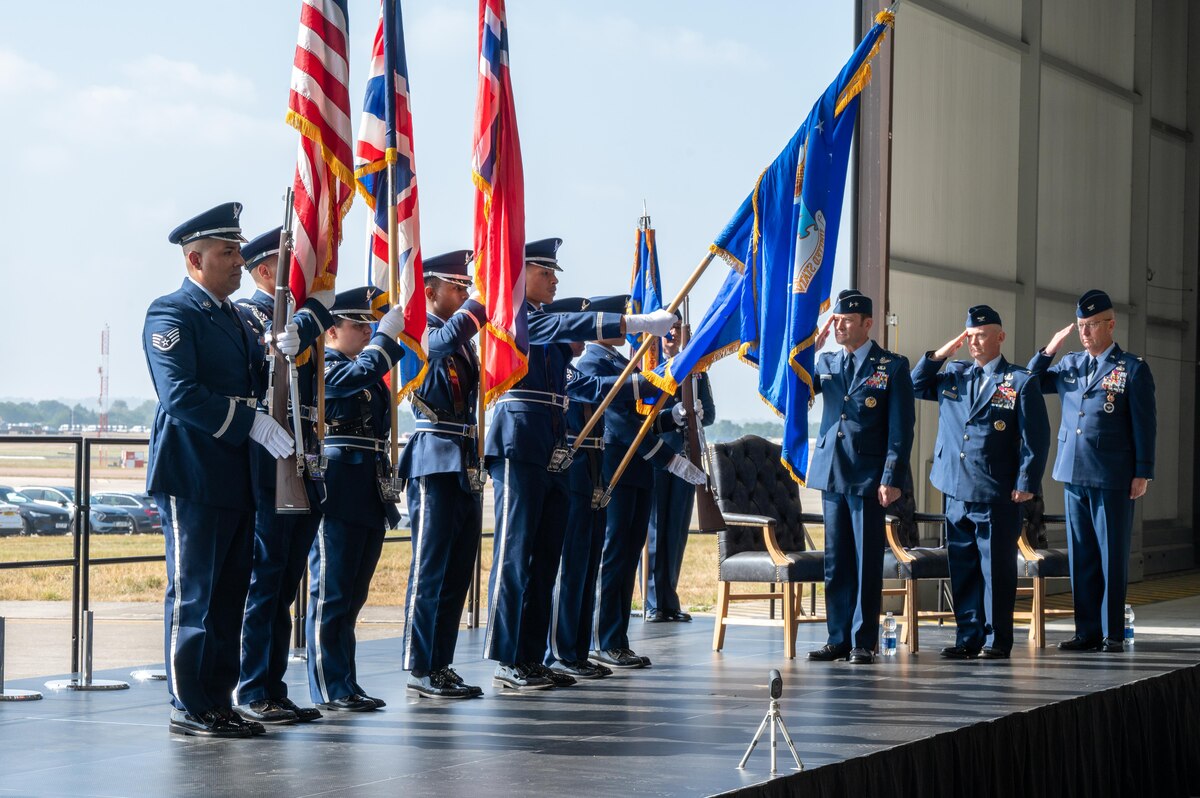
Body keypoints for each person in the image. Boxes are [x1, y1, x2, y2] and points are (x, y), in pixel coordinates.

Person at [483, 238, 677, 691]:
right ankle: (507, 658)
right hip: (519, 443)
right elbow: (562, 329)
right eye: (545, 271)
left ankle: (532, 656)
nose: (554, 279)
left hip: (552, 450)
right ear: (520, 273)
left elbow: (576, 376)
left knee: (544, 560)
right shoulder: (514, 316)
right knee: (515, 558)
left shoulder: (549, 332)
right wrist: (631, 322)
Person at [145, 202, 295, 738]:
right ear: (195, 260)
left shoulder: (236, 317)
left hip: (236, 472)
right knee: (194, 593)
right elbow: (180, 394)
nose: (238, 261)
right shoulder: (171, 312)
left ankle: (218, 699)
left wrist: (284, 352)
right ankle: (189, 703)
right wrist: (249, 422)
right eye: (228, 252)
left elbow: (255, 381)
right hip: (192, 470)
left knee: (230, 594)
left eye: (237, 251)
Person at [233, 227, 333, 725]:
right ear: (265, 271)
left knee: (286, 581)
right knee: (265, 580)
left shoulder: (300, 322)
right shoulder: (246, 317)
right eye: (290, 261)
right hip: (268, 463)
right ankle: (252, 688)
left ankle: (273, 685)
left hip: (303, 459)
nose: (302, 270)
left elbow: (321, 309)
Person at [911, 305, 1049, 660]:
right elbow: (915, 384)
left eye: (982, 335)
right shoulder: (954, 375)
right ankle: (968, 637)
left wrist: (1026, 482)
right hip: (955, 488)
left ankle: (997, 639)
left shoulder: (1019, 381)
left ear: (1000, 337)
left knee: (995, 568)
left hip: (995, 489)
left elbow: (1036, 438)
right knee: (962, 565)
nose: (974, 342)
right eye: (970, 336)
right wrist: (941, 354)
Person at [1027, 289, 1155, 653]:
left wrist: (1142, 471)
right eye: (1081, 325)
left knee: (1111, 556)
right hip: (1073, 473)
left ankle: (1113, 633)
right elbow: (1030, 383)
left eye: (1092, 325)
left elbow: (1145, 424)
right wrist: (1049, 350)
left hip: (1112, 475)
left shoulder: (1131, 368)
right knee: (1082, 555)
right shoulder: (1070, 364)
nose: (1085, 332)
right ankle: (1087, 632)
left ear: (1110, 325)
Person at [306, 286, 408, 711]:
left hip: (367, 486)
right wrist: (385, 339)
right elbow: (354, 380)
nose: (368, 331)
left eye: (371, 326)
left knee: (353, 595)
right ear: (331, 331)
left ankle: (345, 680)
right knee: (331, 592)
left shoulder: (359, 369)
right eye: (358, 324)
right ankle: (329, 685)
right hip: (339, 488)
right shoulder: (324, 368)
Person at [580, 329, 706, 670]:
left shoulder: (621, 362)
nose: (624, 328)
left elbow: (640, 420)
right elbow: (619, 423)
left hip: (637, 469)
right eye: (616, 322)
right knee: (614, 554)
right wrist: (668, 459)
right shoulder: (592, 363)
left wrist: (670, 418)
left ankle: (617, 639)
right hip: (616, 468)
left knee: (628, 554)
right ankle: (602, 640)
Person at [396, 250, 487, 699]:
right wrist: (485, 299)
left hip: (463, 455)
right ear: (428, 291)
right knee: (430, 567)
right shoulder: (418, 331)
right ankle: (420, 664)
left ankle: (441, 662)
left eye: (468, 287)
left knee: (456, 569)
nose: (465, 293)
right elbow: (444, 342)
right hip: (434, 456)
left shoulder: (462, 339)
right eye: (458, 287)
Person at [806, 290, 914, 664]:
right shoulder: (826, 361)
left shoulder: (892, 366)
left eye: (847, 321)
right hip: (831, 470)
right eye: (836, 320)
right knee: (836, 561)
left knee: (865, 561)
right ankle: (837, 637)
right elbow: (795, 389)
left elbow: (901, 429)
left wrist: (891, 476)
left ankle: (862, 640)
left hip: (868, 474)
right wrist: (807, 350)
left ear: (867, 324)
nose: (839, 326)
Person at [646, 319, 716, 624]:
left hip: (686, 457)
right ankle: (653, 602)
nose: (671, 337)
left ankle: (669, 599)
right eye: (667, 332)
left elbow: (709, 414)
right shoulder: (651, 368)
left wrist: (697, 411)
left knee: (675, 532)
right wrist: (671, 415)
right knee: (655, 531)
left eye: (677, 332)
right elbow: (643, 413)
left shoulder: (696, 371)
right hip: (658, 456)